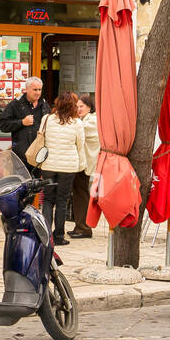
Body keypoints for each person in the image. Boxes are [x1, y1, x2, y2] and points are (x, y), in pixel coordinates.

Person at [36, 91, 86, 245]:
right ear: (73, 106)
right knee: (62, 201)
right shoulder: (77, 123)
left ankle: (45, 236)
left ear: (57, 103)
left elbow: (42, 140)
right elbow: (80, 145)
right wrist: (82, 165)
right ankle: (58, 237)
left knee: (48, 200)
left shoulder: (47, 119)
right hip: (68, 167)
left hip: (49, 165)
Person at [0, 77, 51, 176]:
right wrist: (22, 122)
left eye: (40, 89)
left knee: (37, 187)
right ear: (26, 89)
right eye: (35, 89)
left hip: (39, 155)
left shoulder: (44, 104)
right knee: (22, 186)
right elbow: (3, 125)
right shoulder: (16, 104)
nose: (38, 93)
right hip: (21, 157)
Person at [69, 93, 99, 239]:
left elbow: (78, 129)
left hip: (85, 164)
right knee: (79, 194)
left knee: (82, 195)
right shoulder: (83, 120)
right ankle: (79, 225)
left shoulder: (92, 121)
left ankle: (84, 227)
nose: (78, 109)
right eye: (77, 106)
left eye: (82, 106)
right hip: (81, 163)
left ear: (89, 107)